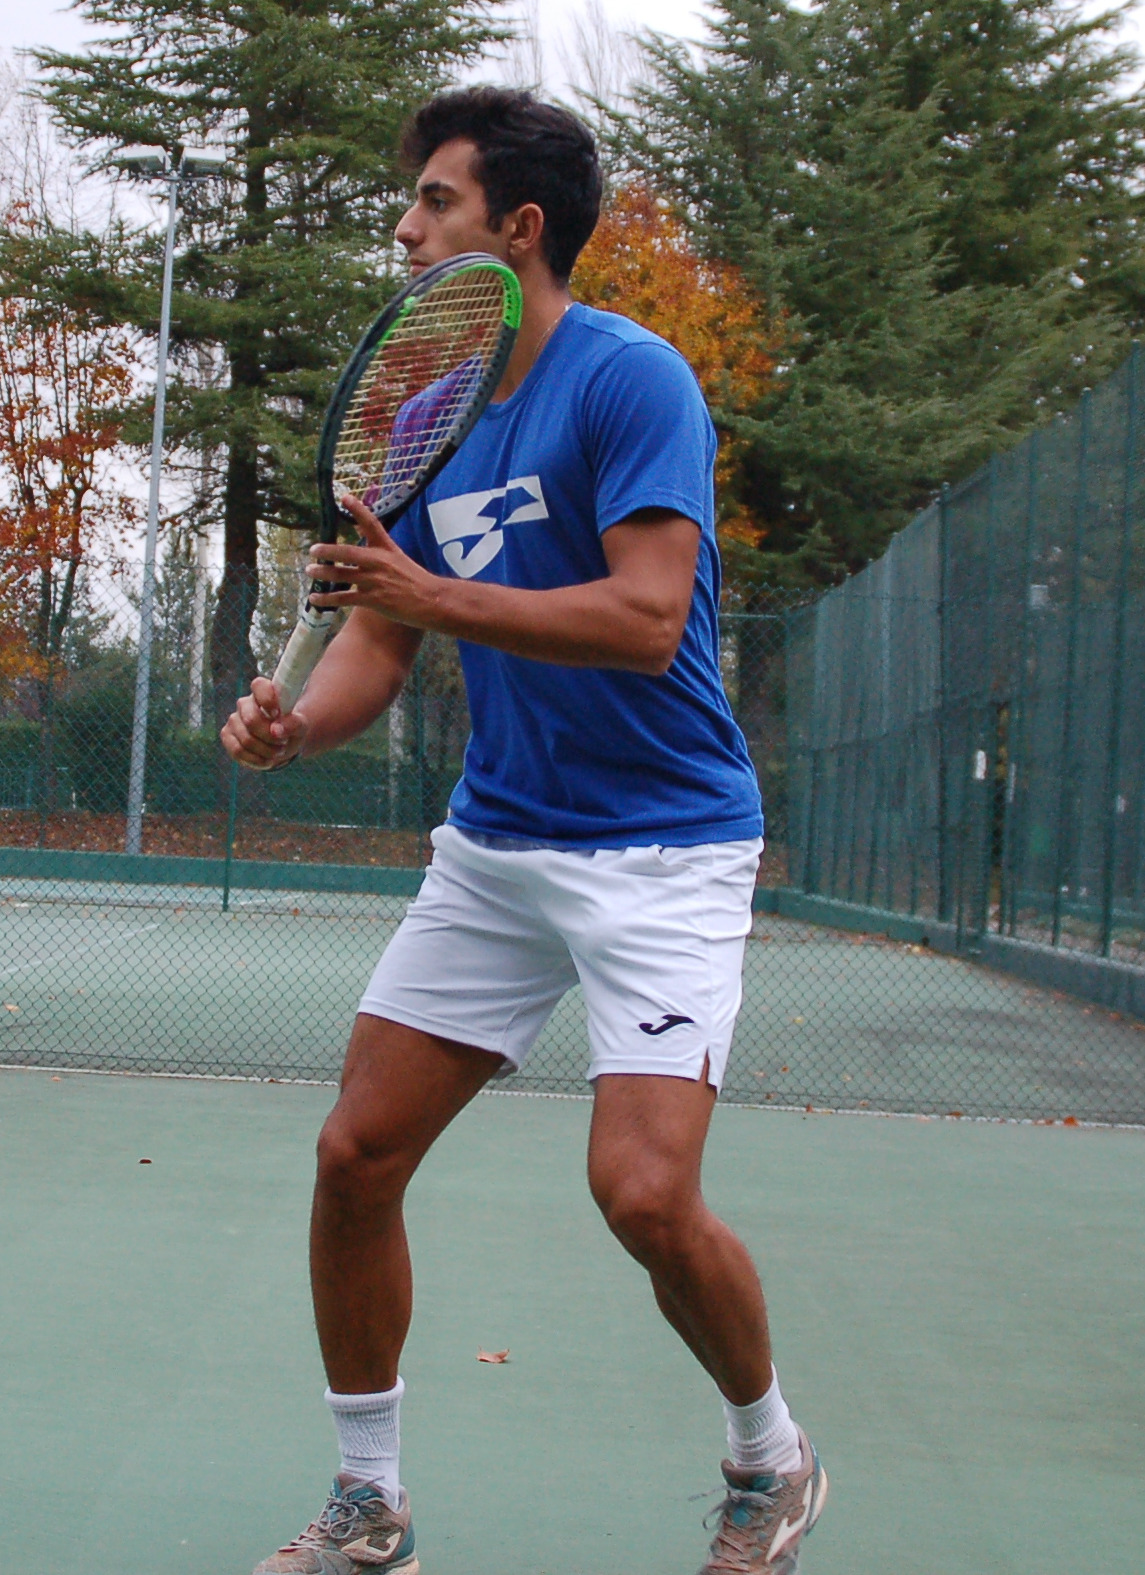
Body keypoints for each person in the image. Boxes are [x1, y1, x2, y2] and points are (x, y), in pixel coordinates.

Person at [221, 86, 827, 1575]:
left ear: (518, 227)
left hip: (667, 842)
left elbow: (643, 620)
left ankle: (772, 1456)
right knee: (355, 1154)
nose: (405, 226)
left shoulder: (633, 382)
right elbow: (380, 648)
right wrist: (304, 722)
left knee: (640, 1193)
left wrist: (419, 596)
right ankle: (370, 1500)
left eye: (432, 200)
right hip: (500, 841)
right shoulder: (424, 426)